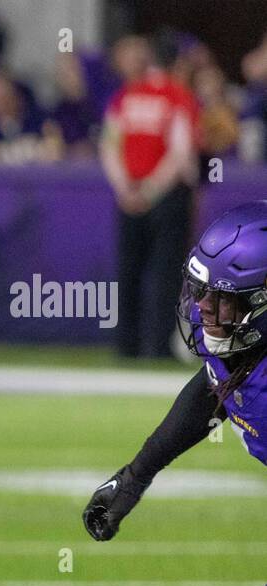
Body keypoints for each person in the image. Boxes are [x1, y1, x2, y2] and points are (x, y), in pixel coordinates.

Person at [36, 200, 267, 586]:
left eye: (227, 303)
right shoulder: (246, 346)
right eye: (205, 297)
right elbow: (210, 390)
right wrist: (136, 476)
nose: (208, 315)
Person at [100, 35, 199, 359]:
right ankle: (159, 346)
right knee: (166, 271)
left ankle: (125, 345)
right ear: (177, 63)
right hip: (166, 197)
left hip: (129, 194)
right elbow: (181, 152)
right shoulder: (179, 97)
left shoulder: (126, 96)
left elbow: (109, 146)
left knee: (129, 270)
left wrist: (125, 188)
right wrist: (152, 191)